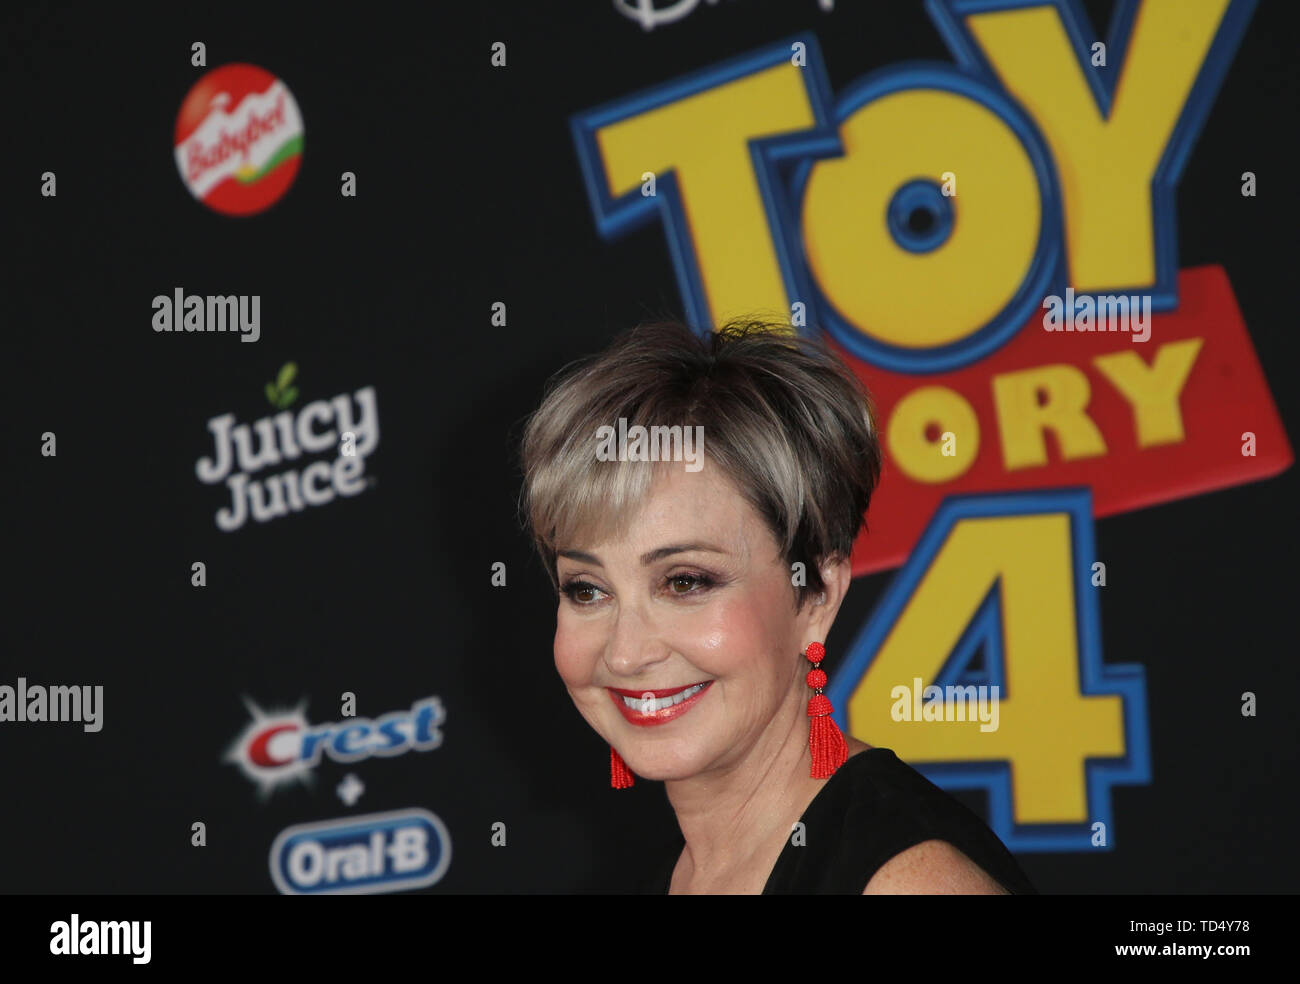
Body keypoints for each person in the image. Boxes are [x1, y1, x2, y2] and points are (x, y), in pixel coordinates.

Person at [517, 317, 1036, 894]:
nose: (626, 652)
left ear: (815, 596)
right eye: (587, 589)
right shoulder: (678, 872)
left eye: (685, 582)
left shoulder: (906, 883)